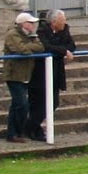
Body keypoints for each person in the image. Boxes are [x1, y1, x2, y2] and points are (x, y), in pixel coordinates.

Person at [27, 9, 77, 141]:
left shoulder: (65, 30)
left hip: (57, 72)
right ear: (54, 22)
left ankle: (31, 127)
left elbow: (71, 45)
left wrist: (63, 50)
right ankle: (31, 128)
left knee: (54, 102)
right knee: (38, 102)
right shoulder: (42, 32)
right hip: (40, 74)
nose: (64, 22)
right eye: (62, 20)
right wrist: (63, 50)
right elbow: (46, 47)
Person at [1, 11, 42, 143]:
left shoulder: (30, 35)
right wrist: (30, 48)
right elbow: (21, 50)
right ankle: (16, 132)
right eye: (31, 23)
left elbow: (40, 47)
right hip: (14, 74)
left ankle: (13, 133)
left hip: (25, 74)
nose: (33, 25)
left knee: (17, 105)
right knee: (21, 104)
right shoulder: (12, 34)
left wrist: (28, 47)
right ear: (23, 24)